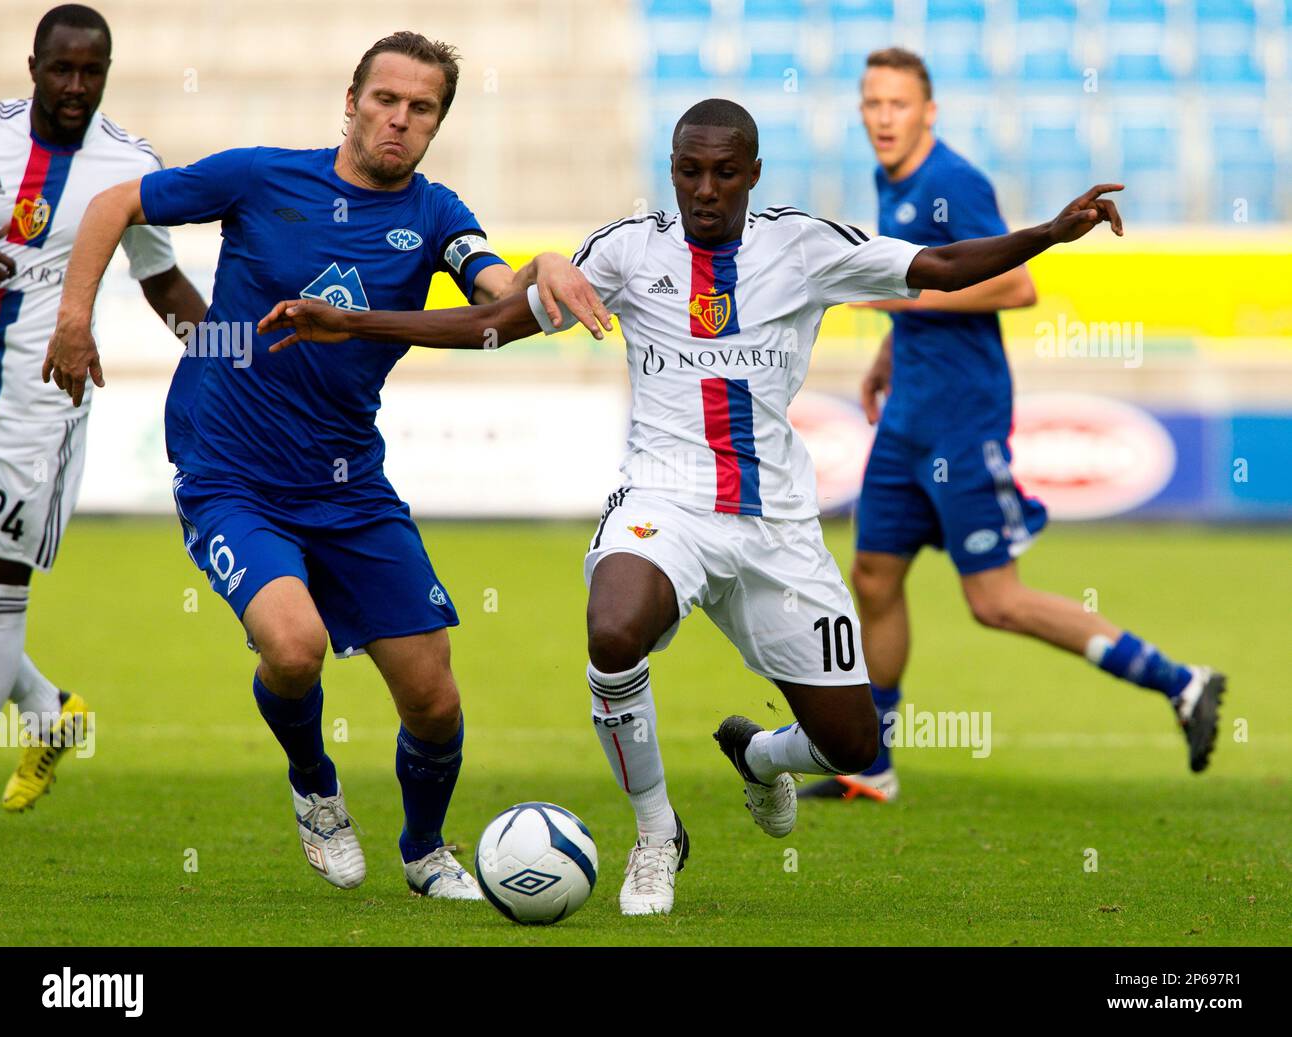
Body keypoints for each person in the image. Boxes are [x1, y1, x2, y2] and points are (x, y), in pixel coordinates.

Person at [251, 96, 1128, 917]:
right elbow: (502, 322)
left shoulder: (807, 245)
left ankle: (759, 754)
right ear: (672, 169)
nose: (704, 189)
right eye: (688, 171)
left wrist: (1050, 233)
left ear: (752, 172)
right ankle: (656, 829)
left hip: (778, 524)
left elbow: (936, 268)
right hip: (664, 500)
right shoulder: (630, 249)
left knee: (852, 743)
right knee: (612, 627)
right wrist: (357, 322)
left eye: (723, 173)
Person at [44, 30, 608, 898]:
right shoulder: (261, 175)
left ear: (435, 127)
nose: (399, 119)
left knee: (435, 699)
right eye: (386, 100)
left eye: (422, 110)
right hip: (230, 470)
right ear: (351, 102)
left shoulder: (435, 215)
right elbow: (116, 201)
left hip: (349, 483)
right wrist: (75, 318)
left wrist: (546, 265)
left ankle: (424, 852)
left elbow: (498, 300)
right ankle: (315, 785)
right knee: (295, 646)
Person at [799, 49, 1223, 805]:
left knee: (994, 601)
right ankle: (874, 762)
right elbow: (928, 273)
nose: (883, 118)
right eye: (872, 104)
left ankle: (1180, 681)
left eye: (898, 104)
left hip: (964, 420)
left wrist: (896, 307)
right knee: (873, 576)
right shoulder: (887, 180)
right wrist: (889, 355)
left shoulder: (954, 181)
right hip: (906, 419)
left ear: (929, 112)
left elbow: (1015, 283)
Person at [0, 3, 206, 811]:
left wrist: (234, 356)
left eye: (92, 71)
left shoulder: (127, 166)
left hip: (38, 404)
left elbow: (162, 283)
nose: (75, 86)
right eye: (61, 69)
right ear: (33, 65)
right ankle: (48, 714)